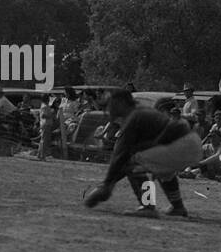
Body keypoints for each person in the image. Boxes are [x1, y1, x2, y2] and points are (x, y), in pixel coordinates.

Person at [83, 89, 200, 218]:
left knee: (132, 164)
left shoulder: (134, 117)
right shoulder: (140, 112)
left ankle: (147, 206)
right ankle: (178, 207)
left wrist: (107, 184)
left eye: (112, 103)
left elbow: (121, 155)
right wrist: (110, 182)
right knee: (160, 168)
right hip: (190, 143)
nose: (110, 107)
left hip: (181, 143)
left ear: (121, 102)